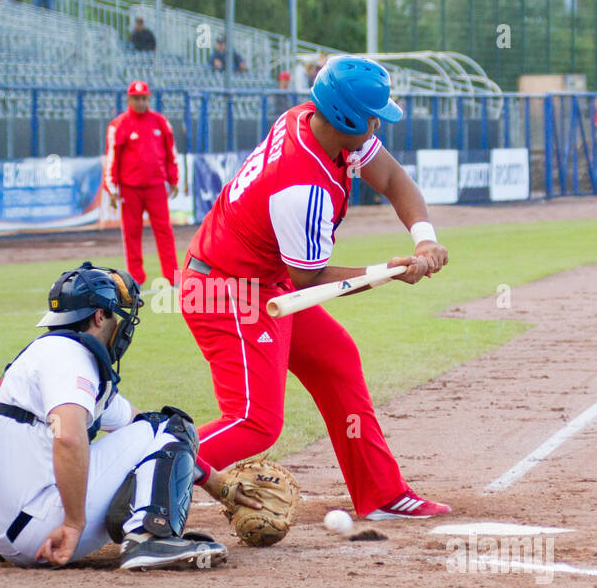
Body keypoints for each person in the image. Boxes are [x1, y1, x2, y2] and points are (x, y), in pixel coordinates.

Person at [180, 55, 452, 521]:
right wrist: (386, 271)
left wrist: (424, 239)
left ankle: (381, 493)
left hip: (262, 281)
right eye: (372, 117)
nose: (376, 125)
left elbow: (391, 178)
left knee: (335, 357)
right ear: (347, 118)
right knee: (255, 423)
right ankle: (141, 468)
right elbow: (309, 281)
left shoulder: (315, 123)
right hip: (227, 291)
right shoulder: (301, 187)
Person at [0, 263, 228, 570]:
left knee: (159, 428)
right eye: (117, 314)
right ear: (98, 317)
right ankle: (148, 537)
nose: (122, 325)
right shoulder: (70, 357)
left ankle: (4, 546)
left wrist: (222, 485)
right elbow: (68, 436)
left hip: (8, 532)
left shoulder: (46, 355)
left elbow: (145, 433)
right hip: (45, 529)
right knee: (173, 423)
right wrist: (74, 524)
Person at [103, 80, 180, 286]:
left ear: (149, 98)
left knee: (164, 231)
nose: (141, 102)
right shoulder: (118, 125)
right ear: (129, 99)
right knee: (132, 233)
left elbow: (170, 153)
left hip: (156, 186)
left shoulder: (161, 122)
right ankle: (136, 276)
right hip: (130, 188)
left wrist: (173, 179)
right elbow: (112, 157)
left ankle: (173, 275)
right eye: (136, 98)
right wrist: (112, 188)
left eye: (144, 98)